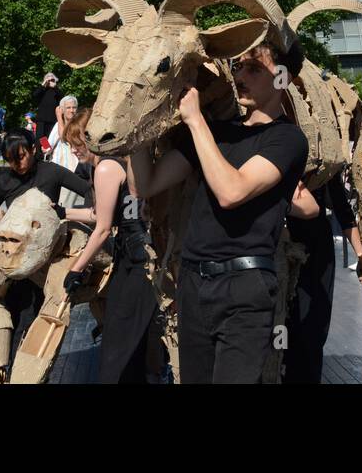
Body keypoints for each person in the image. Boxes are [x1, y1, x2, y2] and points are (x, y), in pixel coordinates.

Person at [128, 42, 309, 383]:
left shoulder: (288, 140)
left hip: (245, 291)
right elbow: (145, 185)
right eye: (238, 66)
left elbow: (232, 191)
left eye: (254, 69)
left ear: (283, 78)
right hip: (193, 285)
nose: (240, 75)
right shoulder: (218, 133)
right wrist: (135, 124)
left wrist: (195, 121)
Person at [0, 130, 95, 364]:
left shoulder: (52, 172)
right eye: (10, 159)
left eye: (22, 155)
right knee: (18, 318)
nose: (17, 164)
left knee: (38, 322)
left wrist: (84, 224)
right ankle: (9, 373)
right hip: (17, 264)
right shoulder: (6, 180)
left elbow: (88, 189)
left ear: (34, 150)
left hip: (47, 264)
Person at [58, 113, 158, 383]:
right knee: (131, 343)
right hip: (139, 258)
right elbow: (99, 214)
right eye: (70, 143)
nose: (74, 149)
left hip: (136, 262)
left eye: (79, 142)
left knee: (118, 345)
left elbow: (102, 229)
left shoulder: (104, 168)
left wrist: (75, 269)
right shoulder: (115, 163)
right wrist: (63, 212)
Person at [282, 173, 362, 383]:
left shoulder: (323, 167)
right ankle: (282, 369)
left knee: (313, 323)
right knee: (283, 321)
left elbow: (342, 209)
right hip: (282, 248)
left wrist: (361, 255)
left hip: (315, 253)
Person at [31, 73, 63, 144]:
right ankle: (41, 153)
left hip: (52, 119)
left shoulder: (56, 90)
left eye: (52, 79)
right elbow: (34, 95)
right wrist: (43, 84)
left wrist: (55, 87)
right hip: (42, 119)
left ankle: (47, 152)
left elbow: (62, 98)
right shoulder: (42, 90)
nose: (50, 81)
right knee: (41, 137)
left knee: (50, 137)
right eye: (48, 79)